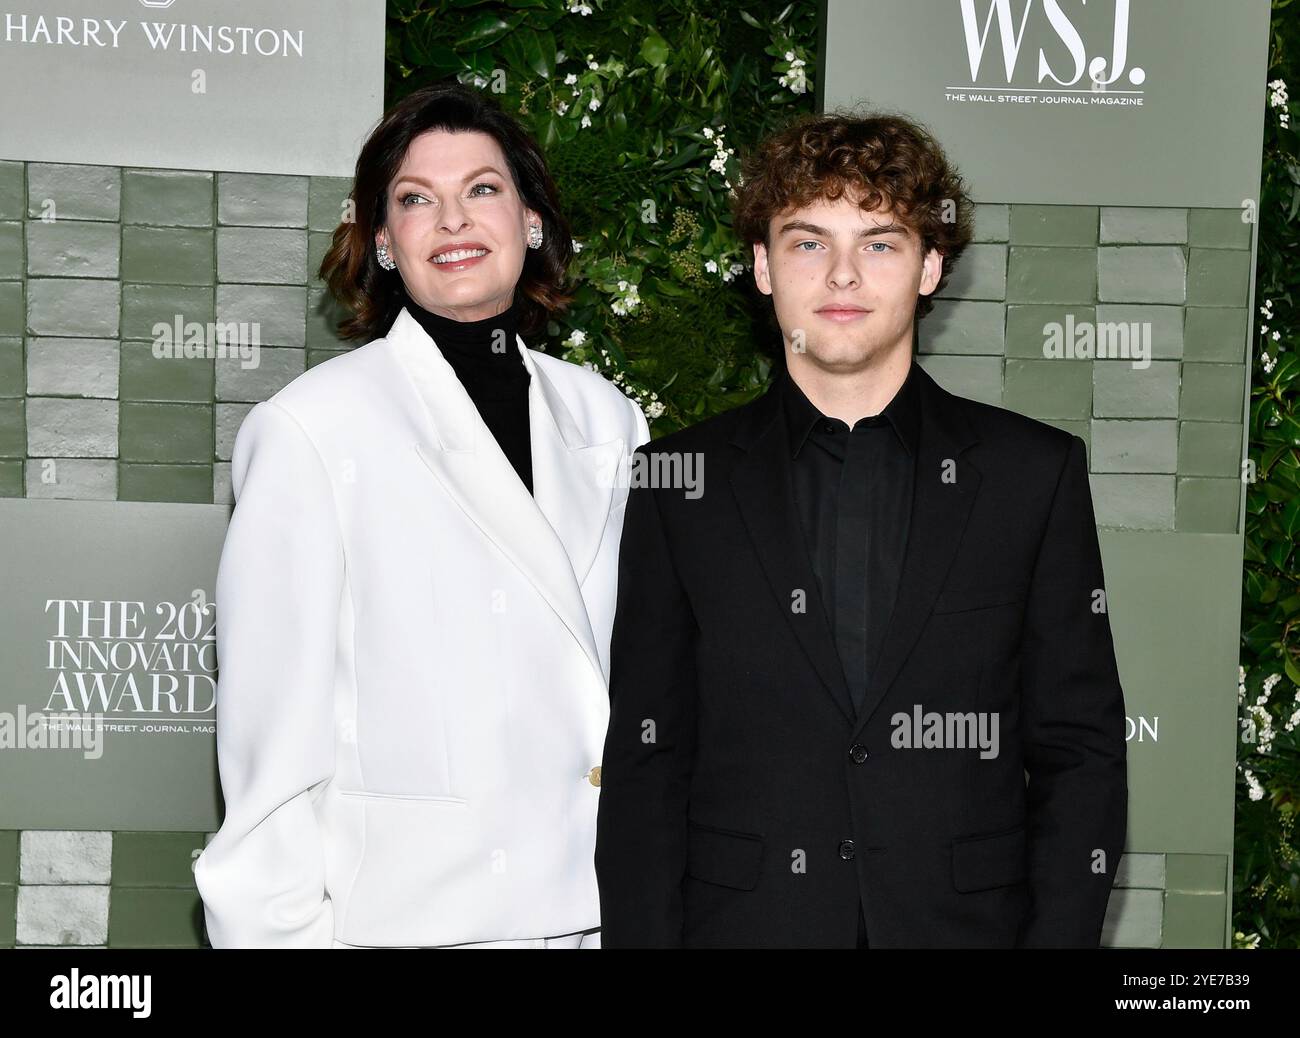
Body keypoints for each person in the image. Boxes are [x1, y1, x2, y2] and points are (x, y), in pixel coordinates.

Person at [594, 109, 1128, 948]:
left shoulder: (1032, 475)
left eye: (879, 243)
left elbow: (1081, 755)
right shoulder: (677, 482)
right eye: (809, 243)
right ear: (763, 267)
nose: (843, 276)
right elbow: (646, 765)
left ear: (930, 266)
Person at [194, 81, 649, 948]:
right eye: (415, 200)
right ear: (384, 245)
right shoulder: (310, 429)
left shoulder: (607, 419)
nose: (453, 221)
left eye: (482, 189)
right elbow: (270, 751)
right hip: (411, 925)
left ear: (533, 223)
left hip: (598, 911)